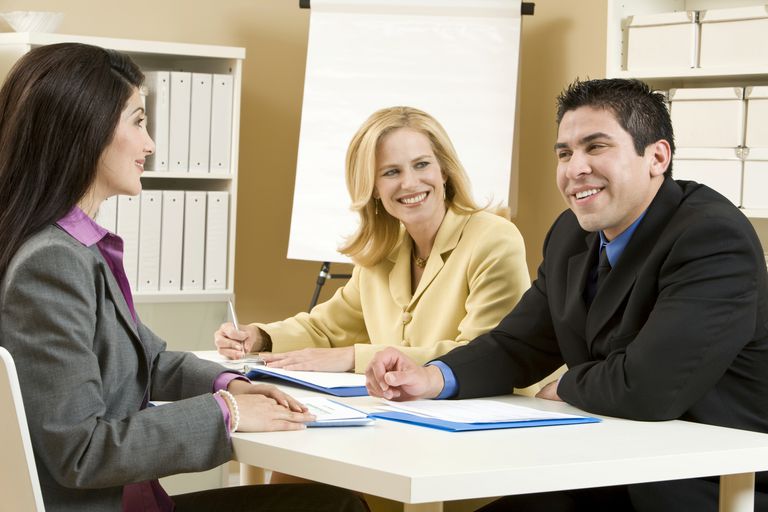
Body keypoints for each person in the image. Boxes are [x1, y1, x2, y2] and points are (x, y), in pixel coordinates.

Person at [366, 78, 768, 512]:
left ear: (656, 157)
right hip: (604, 466)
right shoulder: (570, 234)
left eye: (595, 147)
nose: (575, 168)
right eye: (565, 152)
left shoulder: (711, 237)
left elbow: (651, 388)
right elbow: (519, 344)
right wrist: (433, 377)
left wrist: (566, 385)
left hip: (701, 483)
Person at [0, 42, 367, 512]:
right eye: (137, 121)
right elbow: (82, 452)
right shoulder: (51, 263)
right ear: (87, 129)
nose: (150, 144)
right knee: (335, 508)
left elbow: (147, 362)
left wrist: (230, 385)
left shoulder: (70, 248)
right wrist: (227, 414)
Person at [214, 106, 534, 382]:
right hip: (406, 414)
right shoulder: (384, 250)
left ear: (445, 170)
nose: (410, 183)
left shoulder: (493, 239)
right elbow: (327, 328)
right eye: (391, 172)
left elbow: (484, 354)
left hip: (490, 418)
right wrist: (260, 337)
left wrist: (356, 357)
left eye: (422, 164)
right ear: (373, 189)